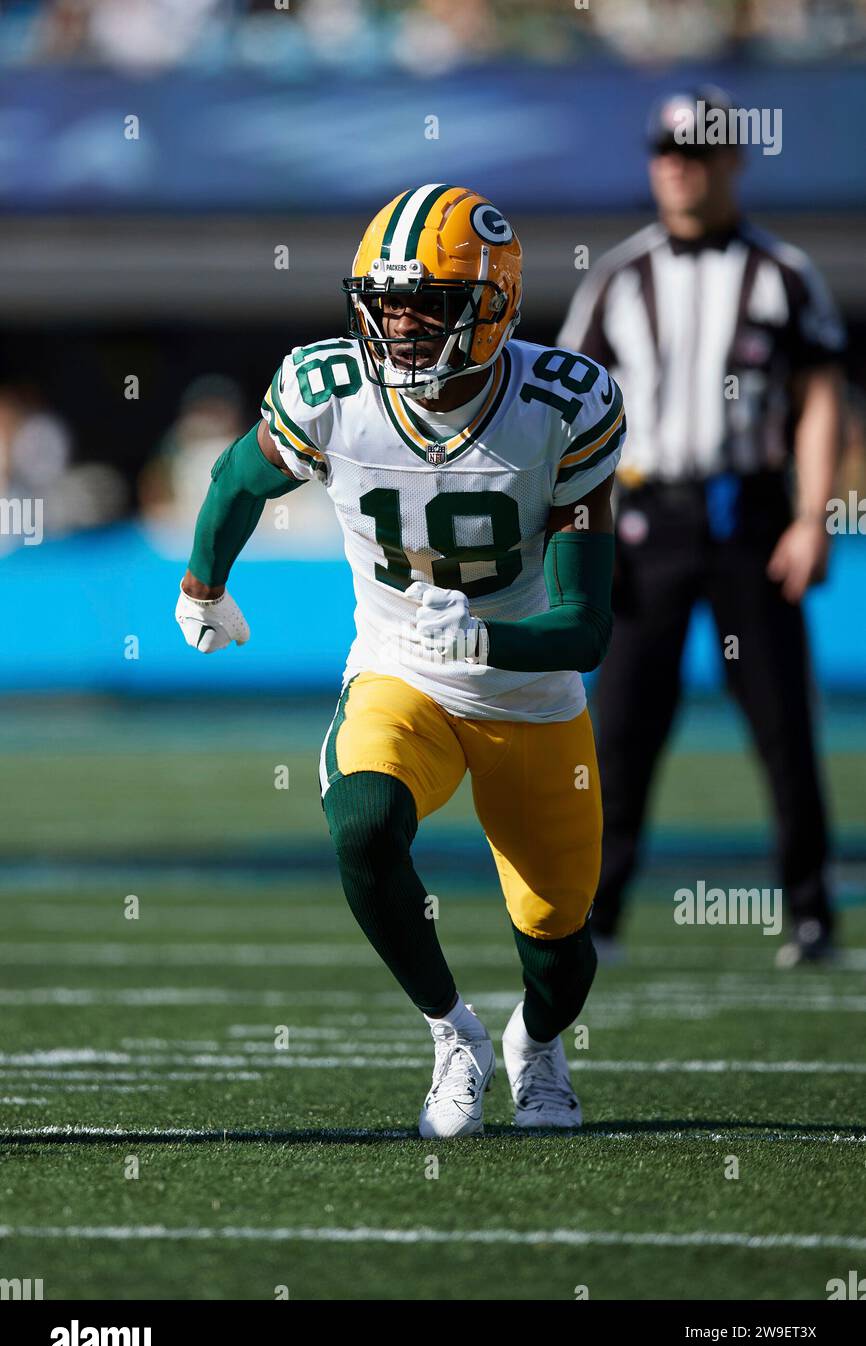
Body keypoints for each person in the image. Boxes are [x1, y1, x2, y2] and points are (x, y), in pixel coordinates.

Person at [176, 184, 626, 1136]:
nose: (403, 324)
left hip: (531, 693)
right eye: (387, 303)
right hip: (399, 672)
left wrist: (488, 636)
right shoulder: (330, 392)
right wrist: (202, 587)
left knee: (559, 948)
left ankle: (537, 1046)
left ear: (492, 304)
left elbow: (587, 626)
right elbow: (237, 476)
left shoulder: (562, 407)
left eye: (429, 302)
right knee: (363, 824)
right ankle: (451, 1032)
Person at [557, 88, 845, 965]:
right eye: (667, 151)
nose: (679, 165)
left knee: (781, 717)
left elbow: (822, 397)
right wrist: (580, 527)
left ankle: (809, 911)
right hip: (645, 519)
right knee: (623, 724)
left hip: (750, 515)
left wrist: (812, 516)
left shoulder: (783, 272)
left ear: (733, 161)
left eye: (699, 152)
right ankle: (595, 912)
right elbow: (570, 412)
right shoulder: (616, 277)